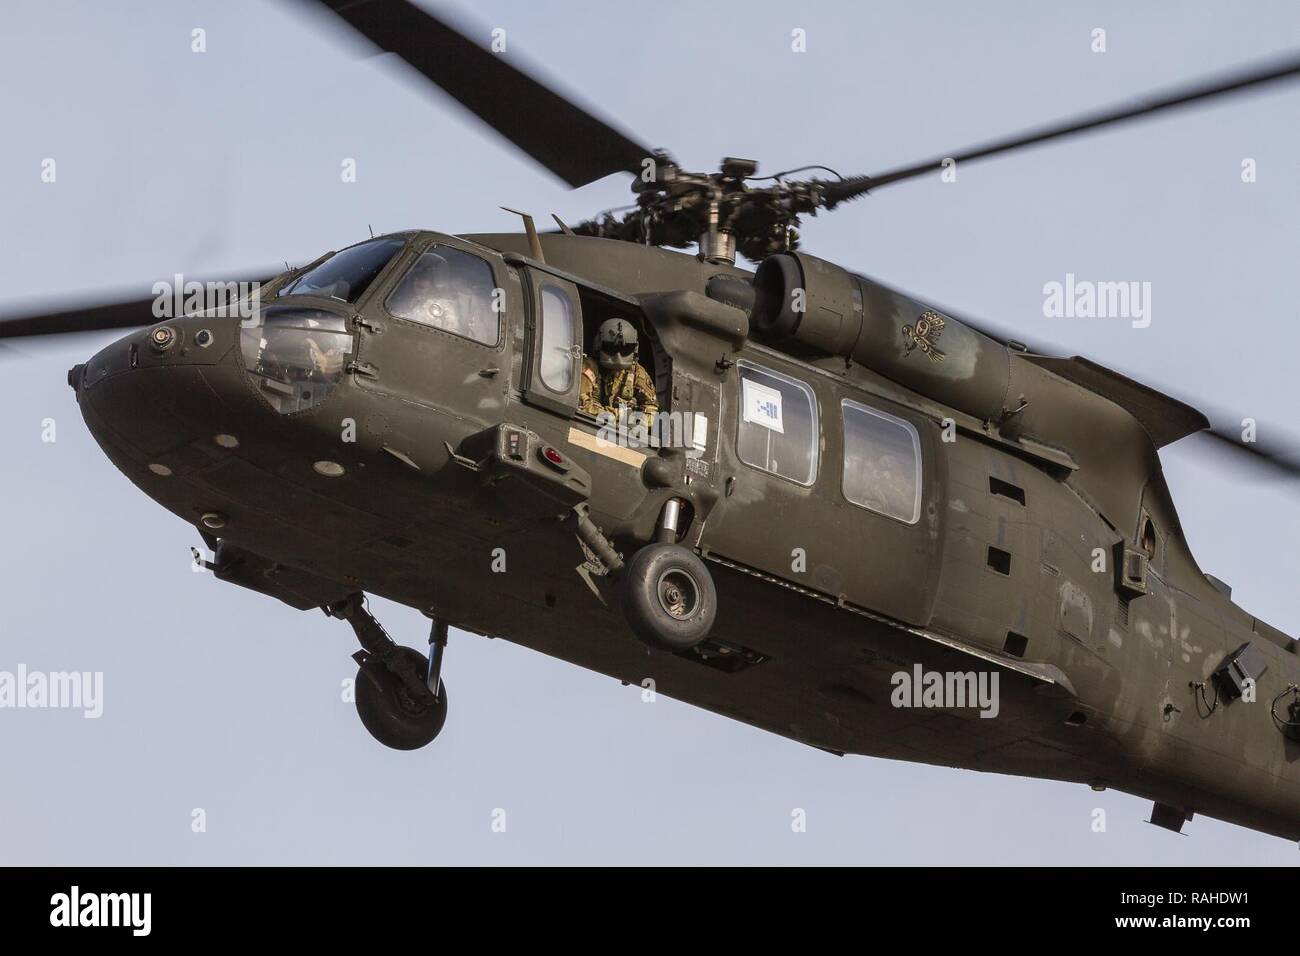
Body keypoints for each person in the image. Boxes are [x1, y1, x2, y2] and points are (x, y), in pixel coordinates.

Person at [580, 318, 658, 421]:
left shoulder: (637, 373)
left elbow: (652, 408)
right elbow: (582, 405)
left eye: (626, 349)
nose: (618, 356)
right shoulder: (588, 367)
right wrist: (619, 417)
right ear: (599, 345)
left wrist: (638, 420)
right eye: (611, 348)